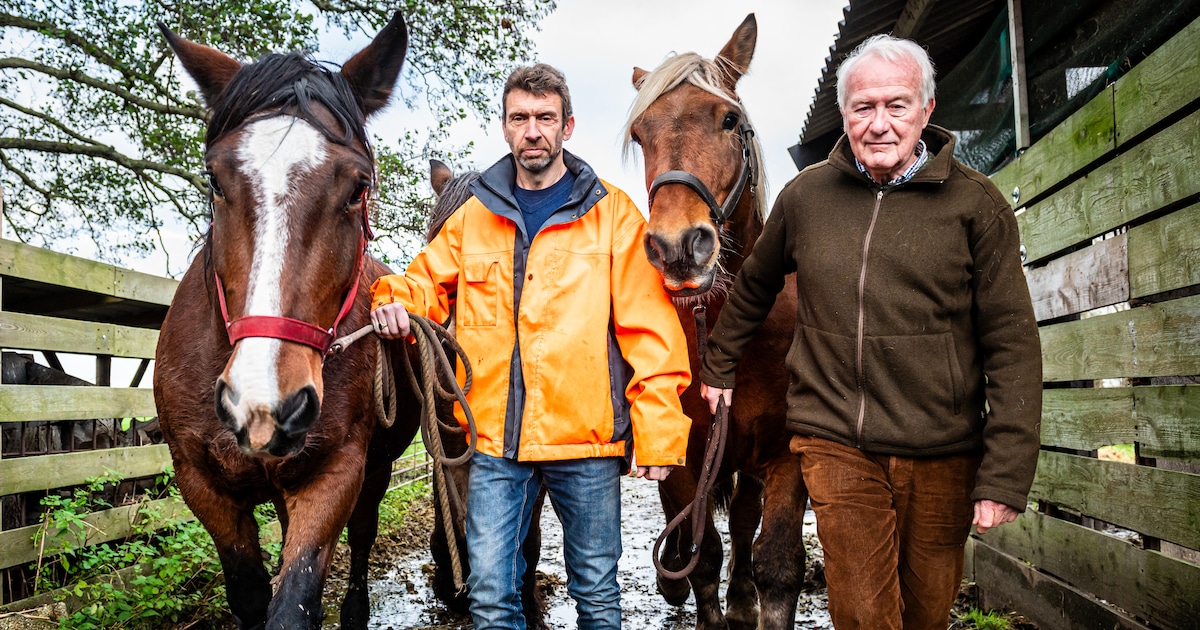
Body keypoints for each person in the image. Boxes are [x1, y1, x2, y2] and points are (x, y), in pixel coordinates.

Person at [699, 34, 1042, 630]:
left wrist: (1006, 473)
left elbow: (1012, 343)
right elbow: (753, 284)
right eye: (863, 107)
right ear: (844, 114)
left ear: (926, 110)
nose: (879, 123)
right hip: (836, 441)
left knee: (925, 613)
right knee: (862, 612)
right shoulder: (806, 197)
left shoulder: (977, 206)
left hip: (943, 450)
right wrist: (719, 364)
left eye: (896, 105)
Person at [370, 63, 692, 630]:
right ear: (505, 128)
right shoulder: (474, 214)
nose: (533, 130)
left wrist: (660, 432)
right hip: (495, 442)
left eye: (545, 118)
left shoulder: (612, 214)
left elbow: (651, 328)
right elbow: (426, 281)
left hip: (586, 444)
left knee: (596, 592)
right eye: (520, 118)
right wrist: (395, 299)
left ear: (568, 126)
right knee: (491, 594)